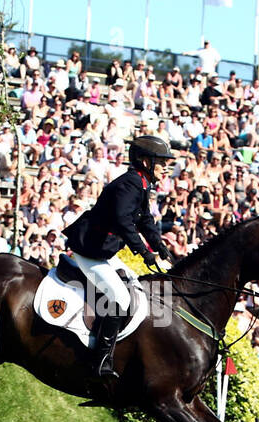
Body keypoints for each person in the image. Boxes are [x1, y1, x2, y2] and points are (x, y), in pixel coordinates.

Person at [63, 135, 175, 378]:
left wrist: (159, 245)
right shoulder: (130, 184)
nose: (166, 167)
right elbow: (123, 221)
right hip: (90, 250)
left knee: (135, 285)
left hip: (103, 251)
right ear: (146, 162)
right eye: (162, 162)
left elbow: (145, 219)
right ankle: (99, 360)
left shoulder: (142, 183)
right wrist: (144, 252)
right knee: (121, 299)